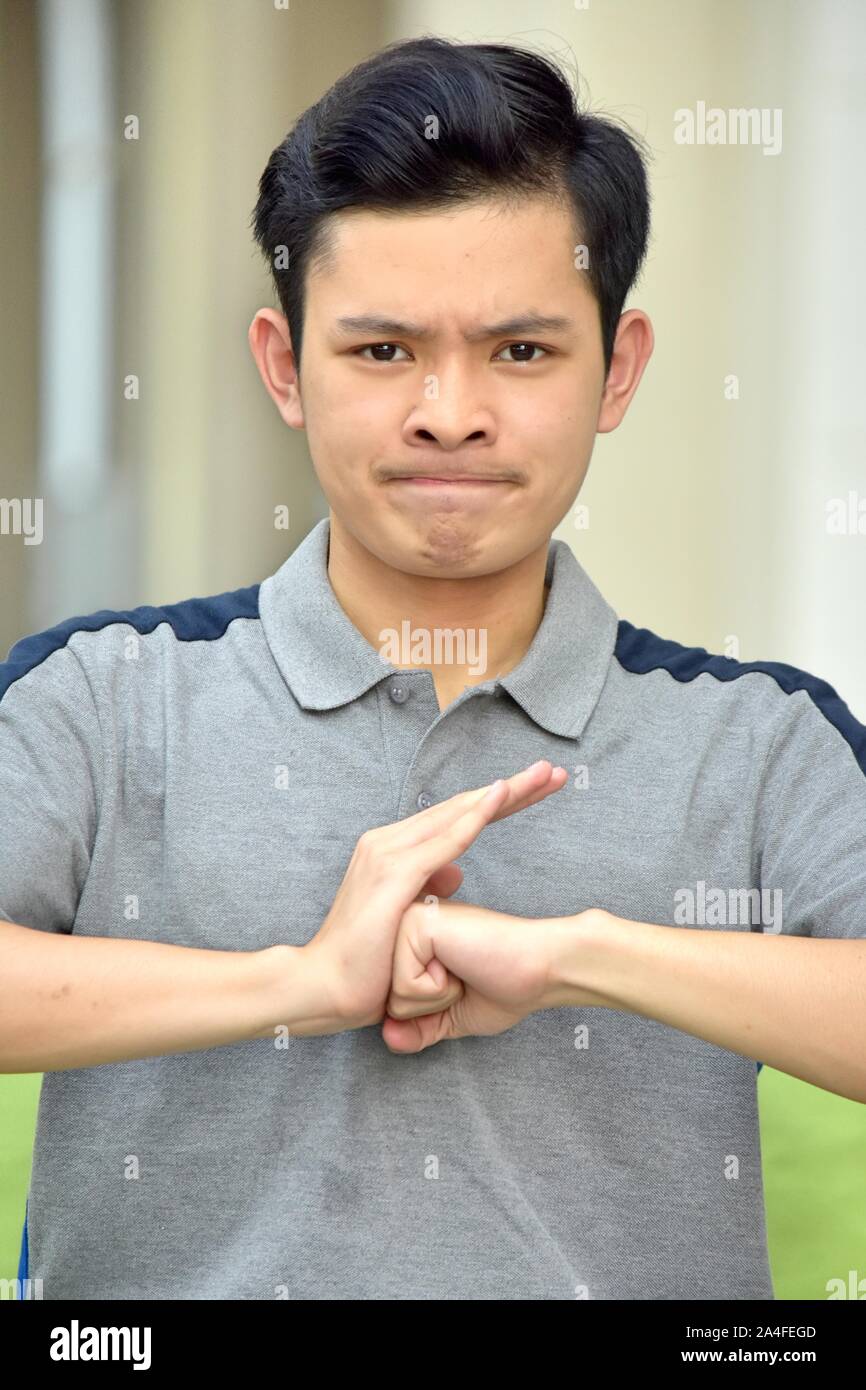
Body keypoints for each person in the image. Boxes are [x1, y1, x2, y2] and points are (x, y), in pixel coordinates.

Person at [3, 36, 865, 1302]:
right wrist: (299, 980)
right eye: (380, 350)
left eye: (519, 352)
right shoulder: (100, 695)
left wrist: (576, 951)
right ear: (283, 366)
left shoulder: (760, 738)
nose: (448, 411)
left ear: (615, 369)